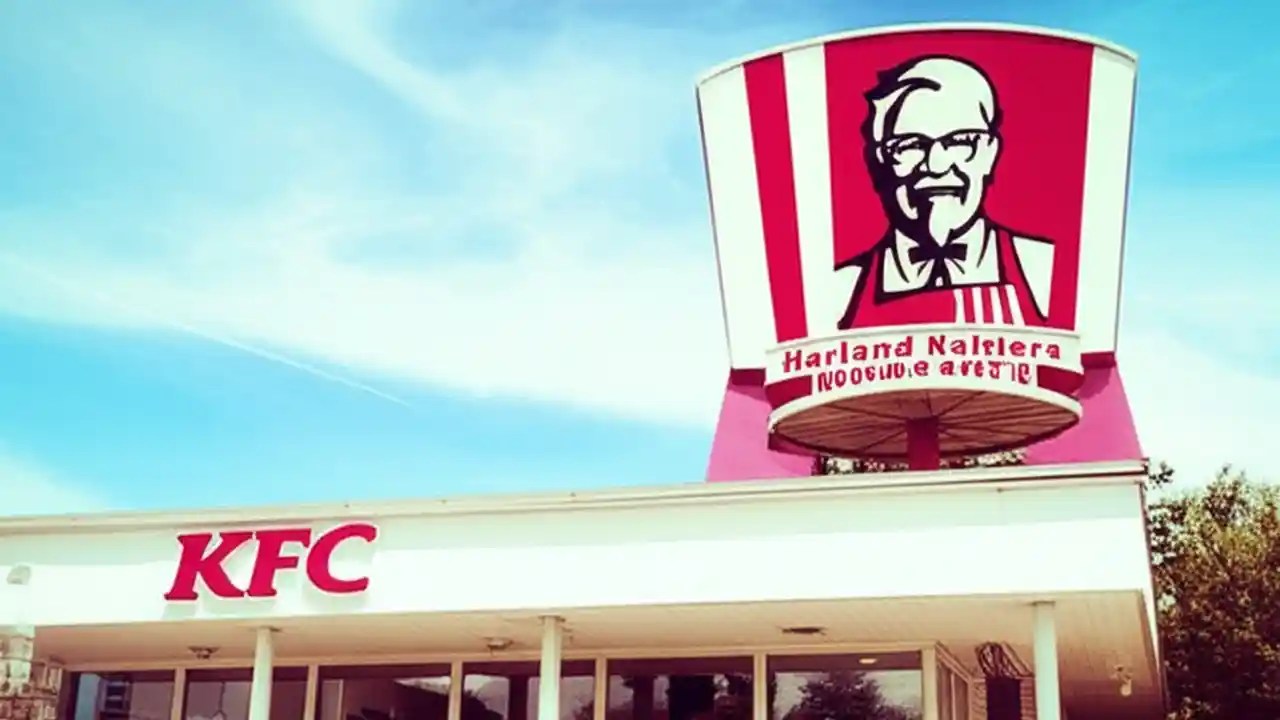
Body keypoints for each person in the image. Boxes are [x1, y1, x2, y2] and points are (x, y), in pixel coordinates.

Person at [834, 55, 1056, 331]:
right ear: (880, 160)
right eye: (910, 144)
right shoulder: (841, 292)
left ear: (989, 152)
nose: (937, 165)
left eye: (961, 141)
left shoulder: (1042, 270)